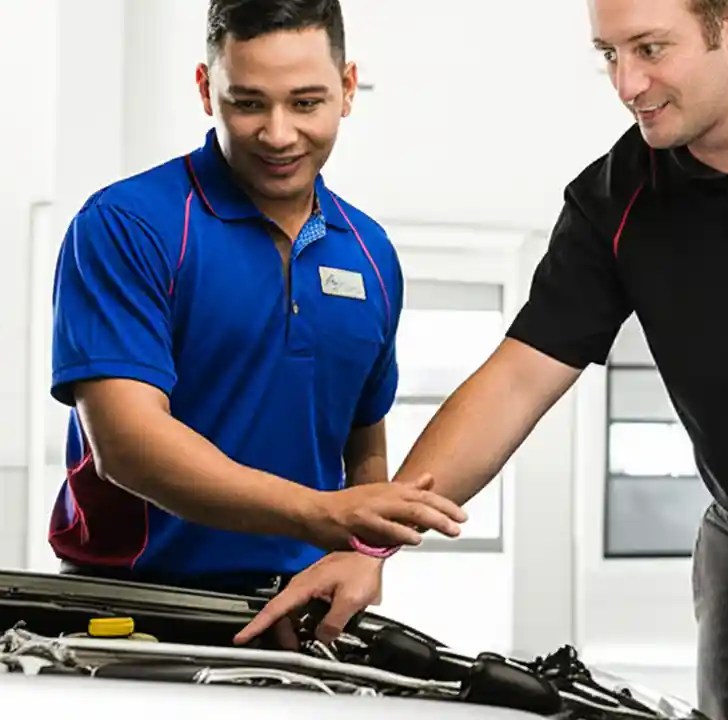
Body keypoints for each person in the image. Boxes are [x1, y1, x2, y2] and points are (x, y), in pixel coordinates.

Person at [235, 0, 728, 716]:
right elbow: (516, 382)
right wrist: (369, 547)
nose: (627, 84)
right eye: (608, 54)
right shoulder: (613, 200)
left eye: (650, 49)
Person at [46, 0, 467, 597]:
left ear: (347, 89)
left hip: (304, 603)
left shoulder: (370, 253)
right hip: (136, 605)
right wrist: (323, 515)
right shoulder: (127, 225)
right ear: (204, 87)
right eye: (246, 103)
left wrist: (365, 554)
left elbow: (362, 441)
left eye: (305, 102)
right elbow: (126, 445)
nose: (278, 134)